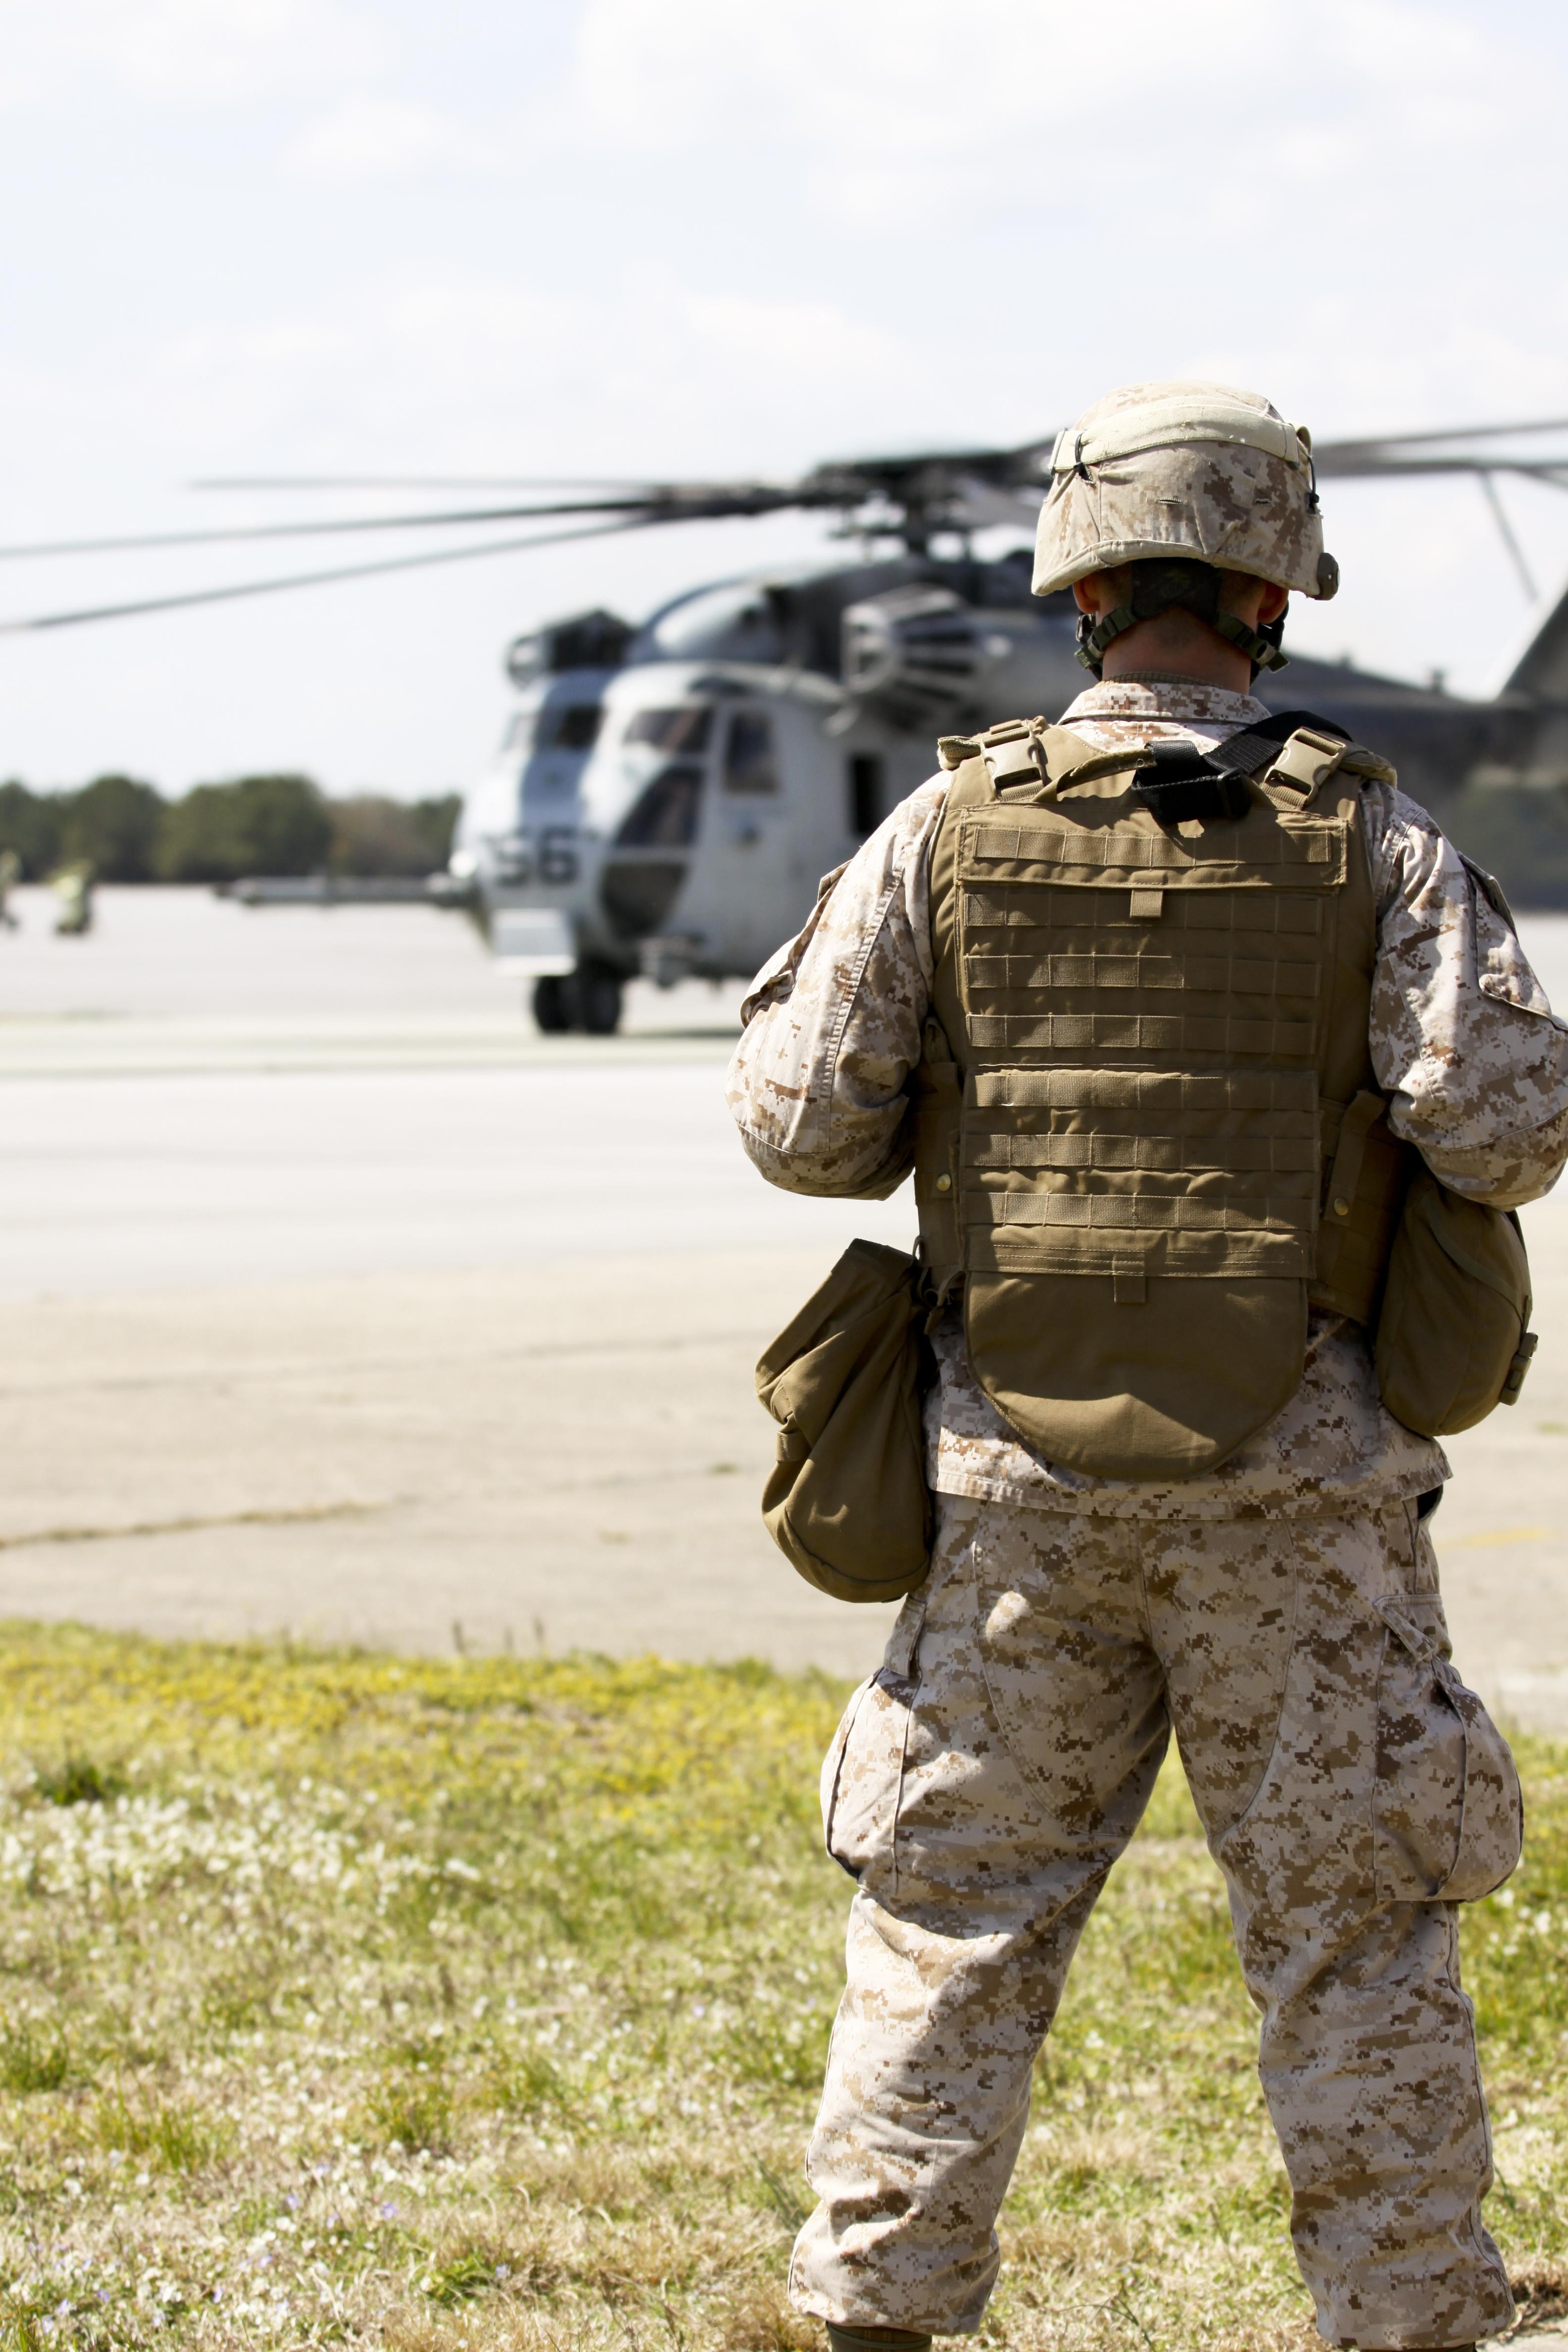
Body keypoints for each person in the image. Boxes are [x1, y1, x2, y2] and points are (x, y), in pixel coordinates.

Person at [726, 381, 1568, 2352]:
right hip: (1302, 1477)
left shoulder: (945, 824)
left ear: (1082, 583)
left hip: (1008, 1478)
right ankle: (1411, 2312)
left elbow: (797, 1131)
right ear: (1274, 596)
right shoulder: (1374, 834)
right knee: (1353, 1932)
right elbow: (1513, 1129)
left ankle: (873, 2308)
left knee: (951, 1923)